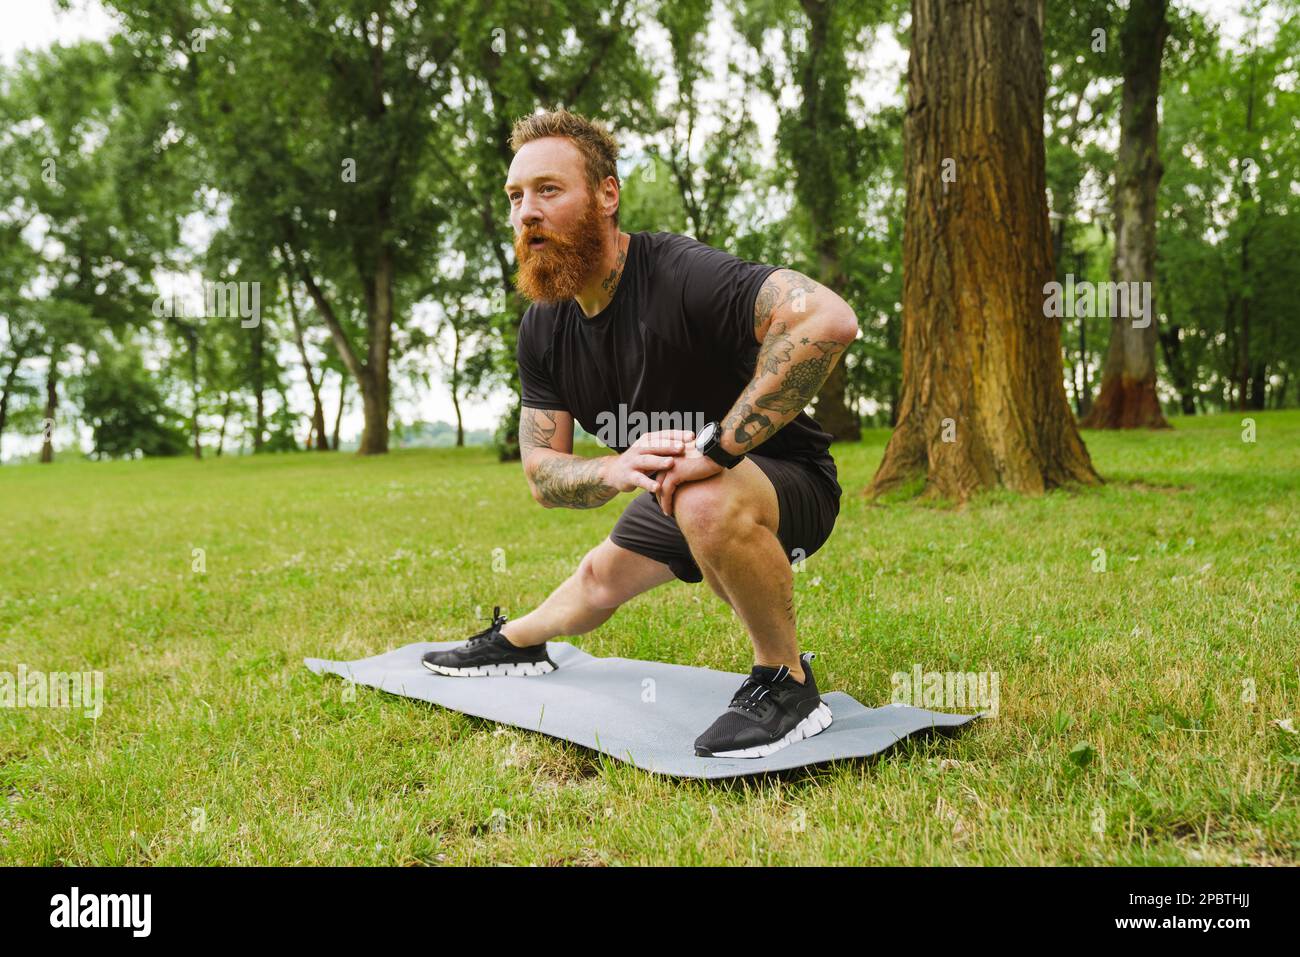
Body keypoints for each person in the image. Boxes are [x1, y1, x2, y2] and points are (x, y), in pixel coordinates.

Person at [422, 108, 858, 758]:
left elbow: (827, 319)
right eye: (516, 197)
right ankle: (518, 642)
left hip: (785, 482)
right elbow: (541, 469)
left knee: (703, 498)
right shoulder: (544, 327)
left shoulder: (680, 273)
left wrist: (718, 447)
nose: (526, 213)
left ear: (607, 194)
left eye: (548, 190)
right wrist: (613, 469)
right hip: (674, 491)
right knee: (599, 575)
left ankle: (787, 680)